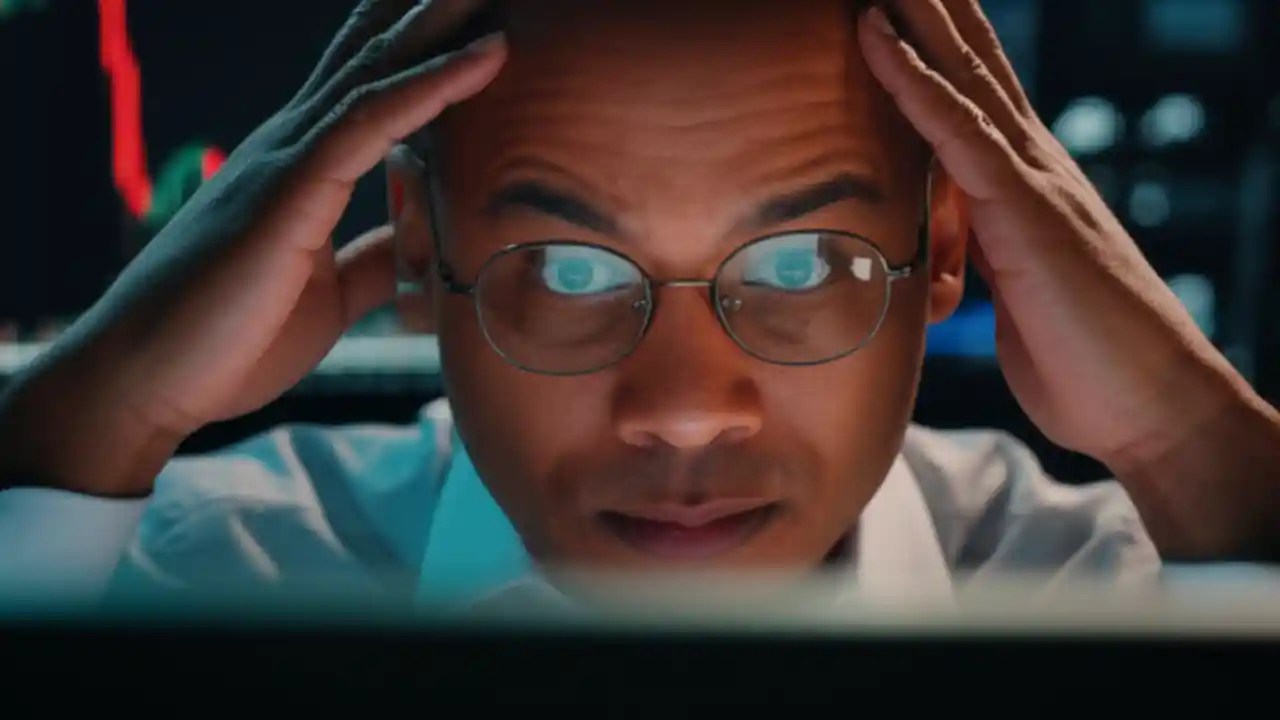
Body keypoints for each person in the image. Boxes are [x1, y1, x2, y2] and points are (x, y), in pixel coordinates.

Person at [1, 0, 1277, 611]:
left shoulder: (1115, 596)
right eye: (565, 271)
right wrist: (92, 416)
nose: (680, 415)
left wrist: (1198, 451)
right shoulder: (198, 582)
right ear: (418, 249)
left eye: (796, 265)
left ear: (942, 249)